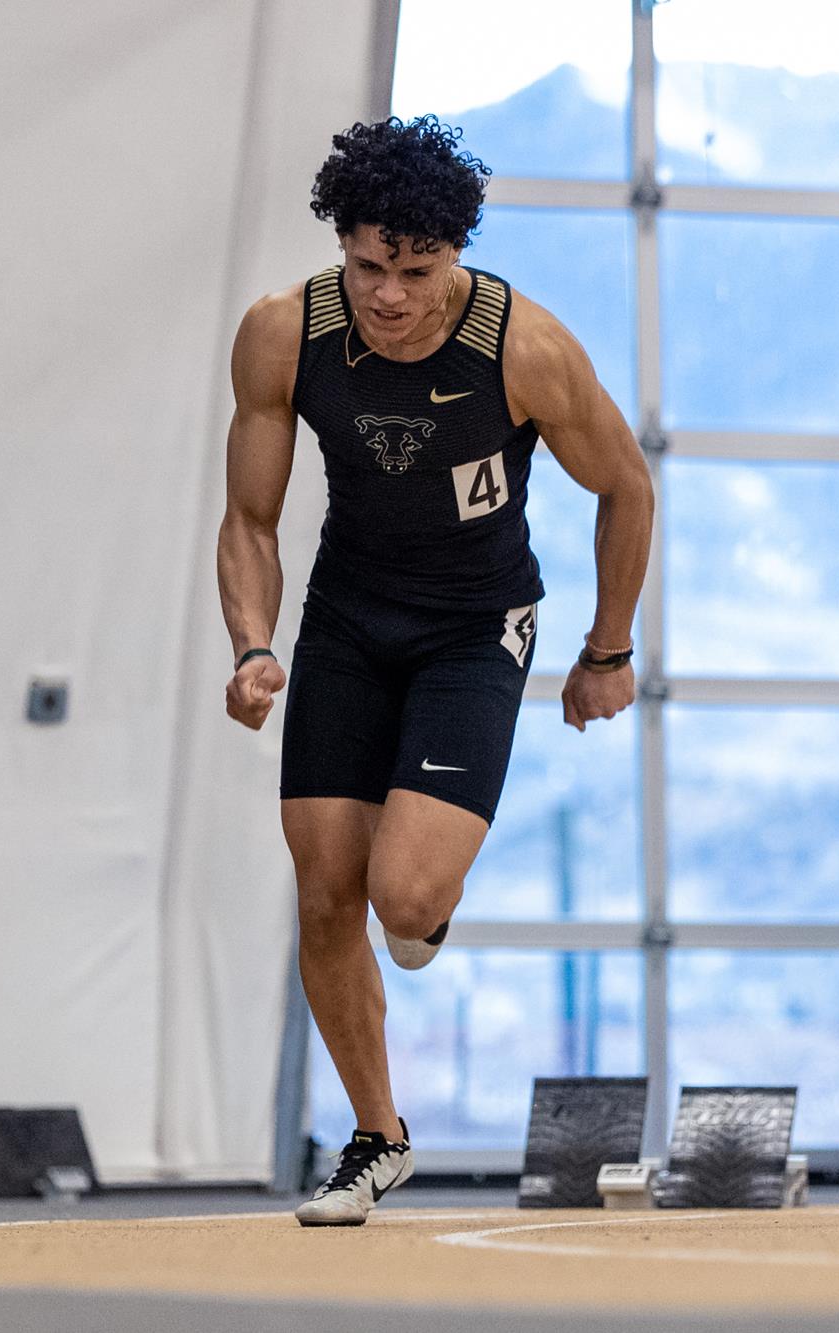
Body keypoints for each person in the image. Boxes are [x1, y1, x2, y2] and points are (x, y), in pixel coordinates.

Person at [215, 117, 653, 1226]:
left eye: (416, 271)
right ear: (342, 246)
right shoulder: (281, 335)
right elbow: (250, 517)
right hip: (348, 620)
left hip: (473, 625)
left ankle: (427, 898)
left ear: (454, 253)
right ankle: (376, 1138)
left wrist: (608, 648)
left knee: (401, 899)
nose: (390, 296)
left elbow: (626, 487)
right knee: (324, 890)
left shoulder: (524, 351)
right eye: (368, 267)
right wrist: (254, 645)